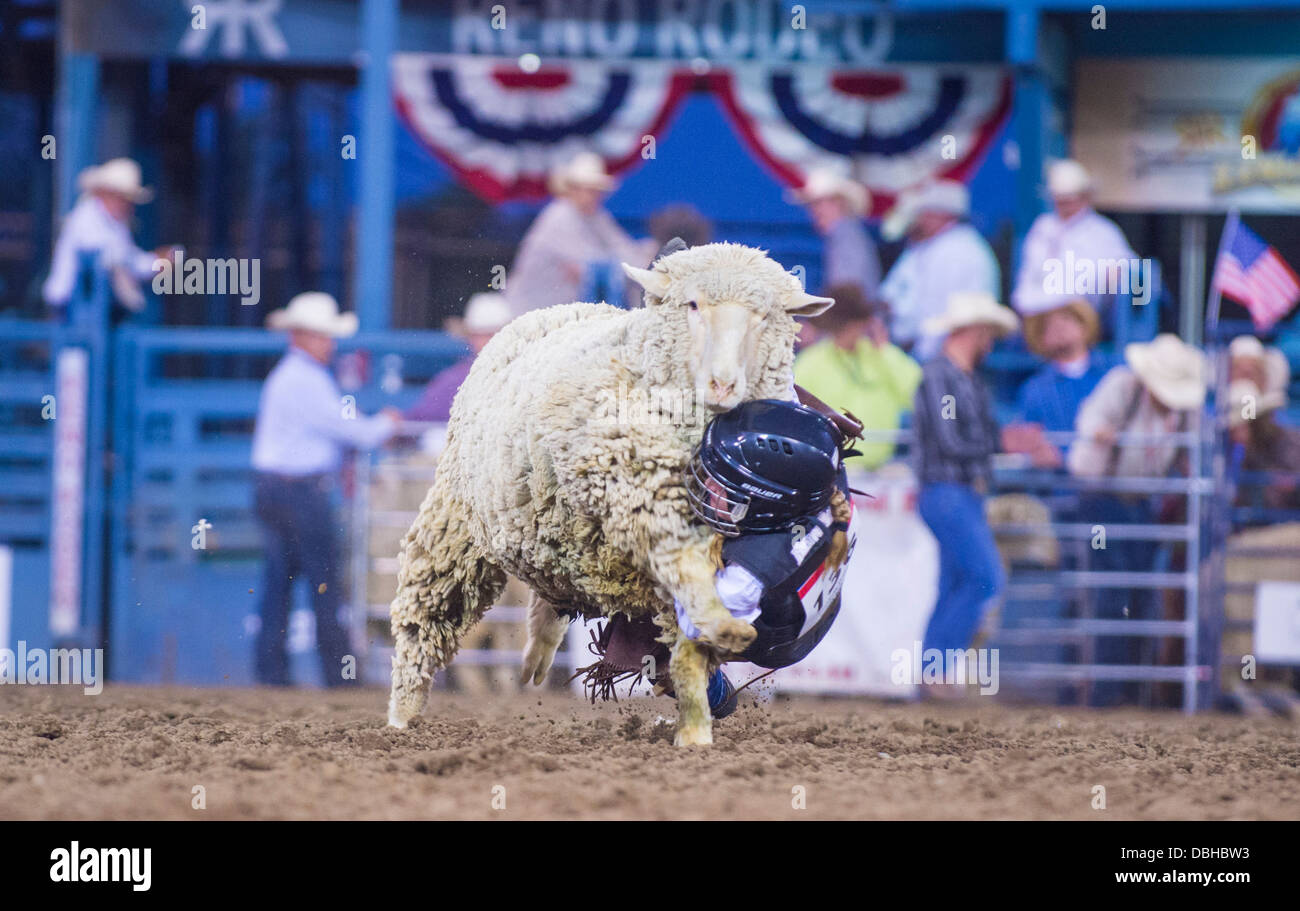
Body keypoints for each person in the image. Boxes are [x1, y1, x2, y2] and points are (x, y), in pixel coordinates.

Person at [572, 399, 860, 718]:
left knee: (657, 607)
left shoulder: (744, 579)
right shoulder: (819, 471)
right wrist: (823, 415)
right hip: (789, 558)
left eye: (722, 486)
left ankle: (712, 693)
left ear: (760, 503)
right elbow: (786, 402)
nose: (707, 485)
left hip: (775, 632)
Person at [250, 292, 402, 687]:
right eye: (322, 336)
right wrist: (385, 425)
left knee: (279, 583)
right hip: (300, 493)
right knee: (323, 583)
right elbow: (348, 430)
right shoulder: (306, 380)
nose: (329, 344)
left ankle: (273, 674)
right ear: (300, 336)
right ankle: (338, 675)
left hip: (275, 489)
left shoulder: (290, 377)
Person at [1067, 333, 1207, 706]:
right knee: (1112, 593)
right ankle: (1106, 692)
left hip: (1143, 504)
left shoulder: (1182, 413)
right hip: (1104, 498)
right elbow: (1089, 421)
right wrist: (1102, 434)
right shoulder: (1122, 388)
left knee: (1142, 596)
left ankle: (1134, 690)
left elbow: (1191, 454)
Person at [910, 292, 1023, 691]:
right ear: (974, 331)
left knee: (959, 581)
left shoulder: (956, 377)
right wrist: (1002, 444)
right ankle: (935, 669)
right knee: (984, 577)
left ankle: (932, 670)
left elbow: (955, 437)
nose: (990, 339)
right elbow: (950, 441)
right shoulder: (942, 376)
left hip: (955, 492)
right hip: (949, 490)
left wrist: (1001, 441)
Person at [506, 152, 654, 315]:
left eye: (596, 190)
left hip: (562, 316)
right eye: (588, 189)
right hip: (528, 315)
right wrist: (642, 265)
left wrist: (647, 255)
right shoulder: (559, 217)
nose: (594, 196)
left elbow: (622, 248)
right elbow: (592, 266)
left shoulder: (596, 216)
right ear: (572, 189)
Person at [793, 283, 921, 469]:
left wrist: (885, 351)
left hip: (881, 468)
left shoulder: (882, 357)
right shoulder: (811, 363)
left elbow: (917, 392)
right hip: (830, 467)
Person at [879, 179, 1001, 362]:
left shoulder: (957, 249)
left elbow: (935, 312)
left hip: (945, 356)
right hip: (920, 353)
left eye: (926, 213)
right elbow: (888, 295)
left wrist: (924, 361)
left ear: (944, 215)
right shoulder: (926, 246)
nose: (921, 219)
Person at [42, 157, 178, 316]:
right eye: (125, 198)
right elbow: (113, 260)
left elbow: (130, 260)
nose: (129, 205)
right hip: (69, 309)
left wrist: (159, 262)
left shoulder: (115, 225)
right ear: (106, 193)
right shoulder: (86, 218)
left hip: (94, 311)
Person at [1011, 159, 1137, 326]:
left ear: (1085, 197)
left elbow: (1130, 271)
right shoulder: (1042, 227)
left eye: (1069, 199)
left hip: (1080, 316)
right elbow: (1028, 276)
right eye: (1059, 199)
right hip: (1036, 312)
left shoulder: (1103, 231)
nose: (1064, 205)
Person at [406, 292, 513, 423]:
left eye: (494, 334)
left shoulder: (526, 375)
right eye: (481, 335)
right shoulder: (453, 380)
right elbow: (418, 420)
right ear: (470, 338)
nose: (489, 341)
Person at [1015, 296, 1112, 435]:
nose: (1059, 327)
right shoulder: (1035, 390)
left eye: (1066, 319)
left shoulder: (1114, 374)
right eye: (1048, 325)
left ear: (1083, 325)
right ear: (1040, 339)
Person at [787, 168, 880, 298]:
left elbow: (846, 295)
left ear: (838, 203)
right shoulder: (845, 236)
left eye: (818, 203)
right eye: (811, 205)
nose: (813, 211)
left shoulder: (847, 238)